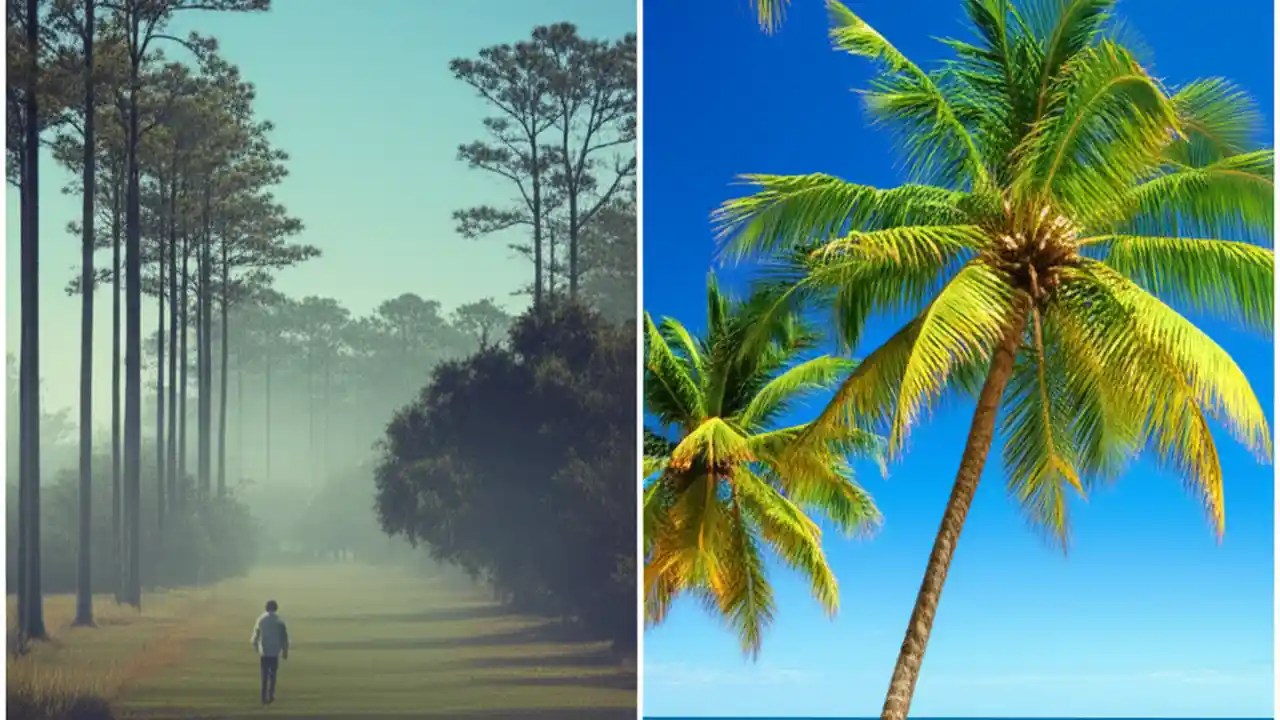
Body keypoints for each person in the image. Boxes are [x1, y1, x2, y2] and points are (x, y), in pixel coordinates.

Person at [250, 599, 289, 704]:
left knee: (264, 676)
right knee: (273, 676)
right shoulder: (279, 621)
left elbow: (255, 635)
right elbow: (284, 637)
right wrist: (285, 651)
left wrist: (256, 646)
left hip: (265, 651)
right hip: (274, 652)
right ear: (276, 608)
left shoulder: (261, 619)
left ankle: (263, 697)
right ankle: (271, 695)